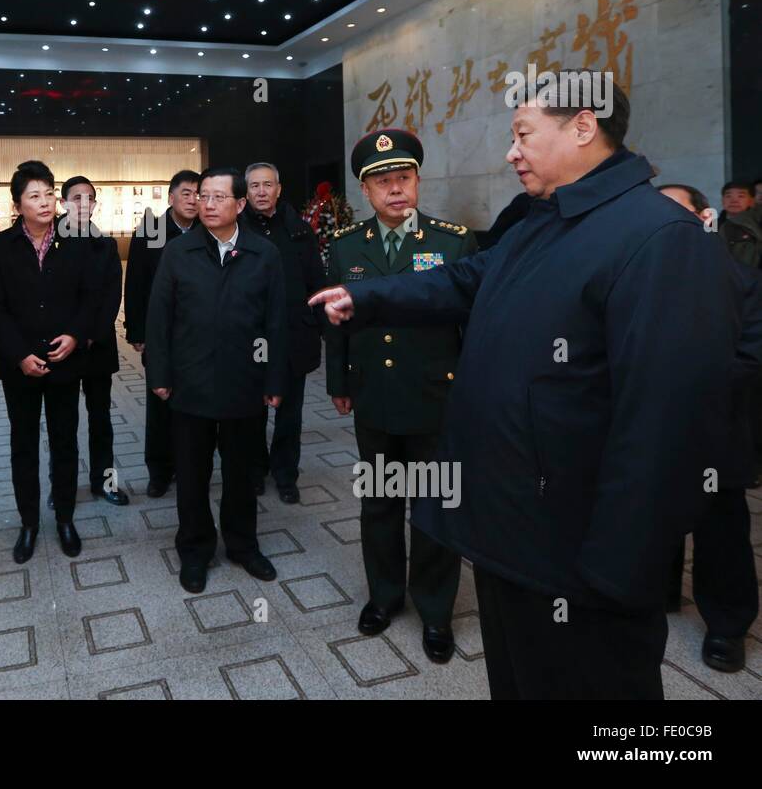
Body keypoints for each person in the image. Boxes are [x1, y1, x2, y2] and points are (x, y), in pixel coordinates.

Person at [311, 79, 739, 700]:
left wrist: (618, 568)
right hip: (512, 536)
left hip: (578, 558)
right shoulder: (550, 220)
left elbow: (666, 426)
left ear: (583, 127)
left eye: (522, 134)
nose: (511, 151)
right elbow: (464, 280)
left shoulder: (657, 238)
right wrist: (368, 294)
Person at [323, 130, 475, 663]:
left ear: (417, 181)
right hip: (376, 396)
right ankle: (384, 597)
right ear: (365, 190)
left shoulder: (452, 242)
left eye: (403, 178)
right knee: (380, 501)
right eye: (383, 181)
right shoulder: (345, 246)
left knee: (434, 504)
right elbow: (335, 324)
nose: (396, 189)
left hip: (436, 395)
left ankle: (435, 610)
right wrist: (339, 383)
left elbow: (470, 325)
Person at [146, 166, 287, 594]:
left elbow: (277, 323)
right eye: (203, 196)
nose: (207, 204)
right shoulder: (178, 252)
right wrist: (161, 374)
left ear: (240, 205)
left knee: (242, 473)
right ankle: (195, 549)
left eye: (218, 197)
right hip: (191, 387)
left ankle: (243, 545)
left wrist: (275, 380)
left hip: (245, 384)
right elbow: (159, 319)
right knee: (191, 475)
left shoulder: (265, 255)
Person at [657, 183, 761, 672]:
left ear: (706, 217)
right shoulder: (639, 276)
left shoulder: (743, 280)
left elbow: (752, 354)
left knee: (721, 527)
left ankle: (727, 624)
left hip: (716, 424)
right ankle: (658, 591)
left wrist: (684, 381)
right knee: (650, 513)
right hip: (648, 427)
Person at [0, 161, 98, 564]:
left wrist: (75, 336)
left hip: (65, 362)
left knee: (65, 442)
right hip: (21, 366)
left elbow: (90, 298)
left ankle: (65, 518)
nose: (45, 201)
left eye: (49, 193)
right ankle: (28, 522)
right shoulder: (0, 247)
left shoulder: (75, 241)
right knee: (24, 445)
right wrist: (19, 354)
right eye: (35, 195)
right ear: (17, 205)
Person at [241, 162, 327, 503]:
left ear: (279, 189)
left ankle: (285, 473)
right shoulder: (237, 230)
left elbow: (316, 282)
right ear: (245, 192)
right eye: (254, 186)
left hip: (293, 337)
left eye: (268, 185)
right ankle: (255, 470)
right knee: (252, 411)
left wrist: (319, 326)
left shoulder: (299, 230)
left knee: (290, 412)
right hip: (251, 340)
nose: (261, 192)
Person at [51, 176, 128, 506]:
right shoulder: (48, 241)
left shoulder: (105, 245)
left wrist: (88, 335)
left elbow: (111, 298)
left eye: (90, 198)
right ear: (63, 203)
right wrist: (68, 335)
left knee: (101, 420)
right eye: (76, 198)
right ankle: (61, 488)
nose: (84, 204)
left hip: (97, 345)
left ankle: (105, 482)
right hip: (60, 347)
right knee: (62, 424)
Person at [124, 169, 199, 497]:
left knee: (194, 404)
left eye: (199, 193)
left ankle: (190, 467)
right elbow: (136, 282)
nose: (193, 199)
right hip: (160, 332)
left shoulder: (207, 229)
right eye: (186, 193)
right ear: (170, 197)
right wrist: (135, 329)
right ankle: (159, 471)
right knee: (160, 402)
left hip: (198, 335)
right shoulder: (152, 229)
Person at [720, 181, 762, 268]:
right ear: (722, 200)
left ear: (752, 201)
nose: (734, 200)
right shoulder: (711, 225)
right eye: (728, 196)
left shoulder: (757, 225)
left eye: (741, 196)